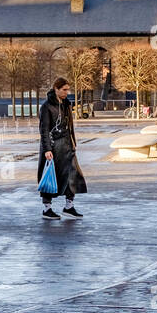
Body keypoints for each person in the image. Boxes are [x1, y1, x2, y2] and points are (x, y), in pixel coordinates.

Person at [37, 77, 87, 219]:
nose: (67, 92)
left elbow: (69, 126)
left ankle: (69, 207)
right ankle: (47, 209)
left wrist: (72, 142)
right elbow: (44, 129)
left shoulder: (66, 104)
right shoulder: (46, 107)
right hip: (53, 147)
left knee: (72, 175)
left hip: (67, 146)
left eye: (67, 89)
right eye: (64, 89)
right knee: (50, 176)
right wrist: (47, 149)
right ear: (56, 89)